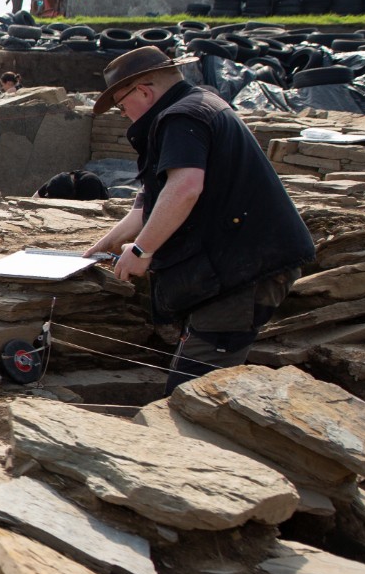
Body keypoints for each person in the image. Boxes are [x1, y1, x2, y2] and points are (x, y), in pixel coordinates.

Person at [83, 45, 315, 393]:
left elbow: (185, 187)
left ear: (144, 91)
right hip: (236, 263)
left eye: (121, 104)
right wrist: (98, 250)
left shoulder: (182, 117)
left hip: (244, 270)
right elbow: (145, 210)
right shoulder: (194, 106)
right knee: (195, 373)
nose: (123, 113)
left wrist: (143, 251)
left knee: (195, 390)